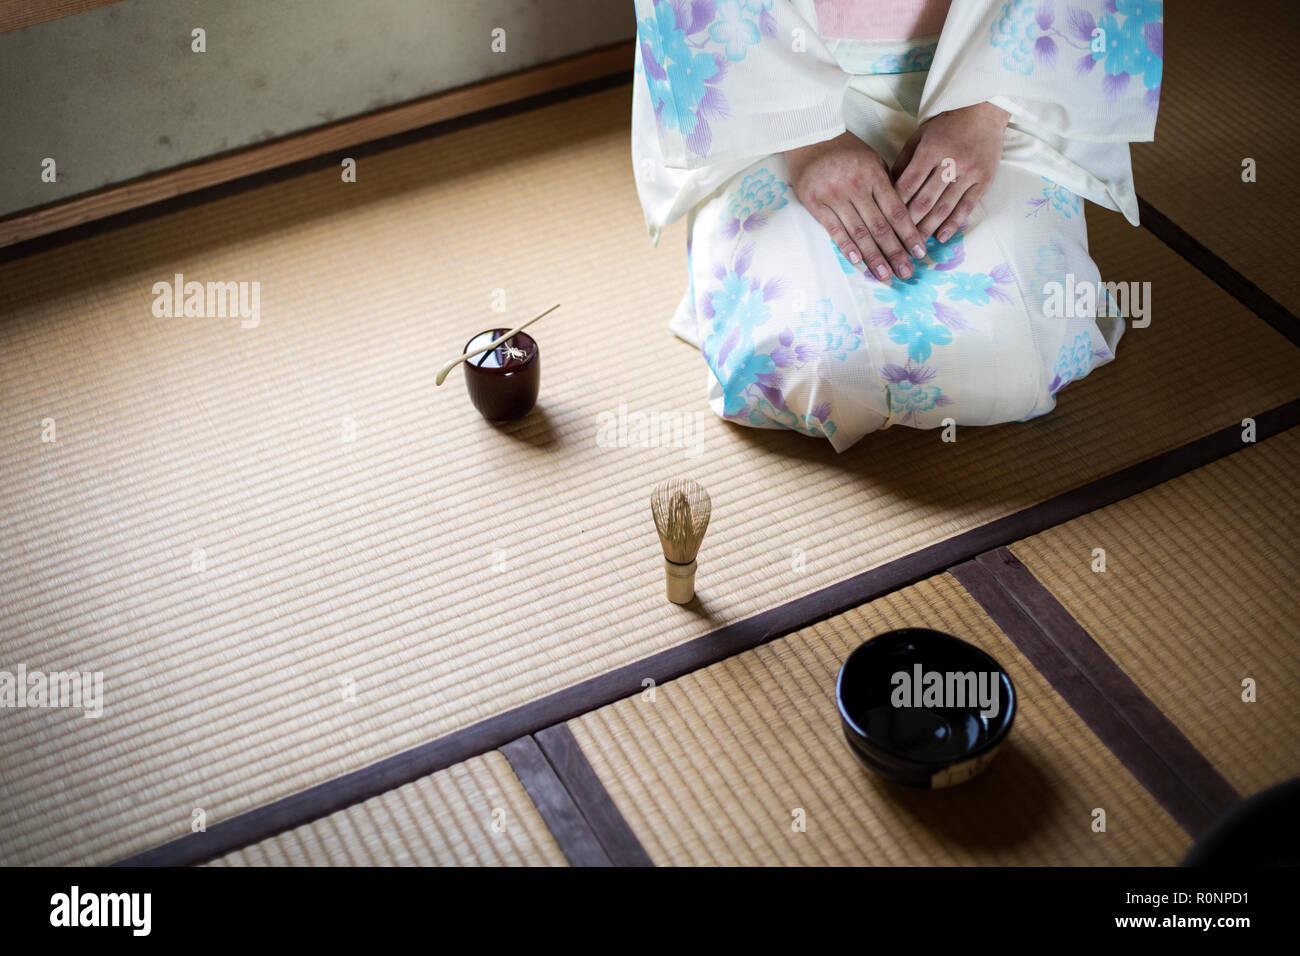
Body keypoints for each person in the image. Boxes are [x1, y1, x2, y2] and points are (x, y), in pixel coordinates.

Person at [632, 0, 1163, 451]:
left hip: (999, 75)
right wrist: (808, 138)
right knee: (818, 364)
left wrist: (984, 112)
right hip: (765, 91)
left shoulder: (989, 104)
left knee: (1013, 360)